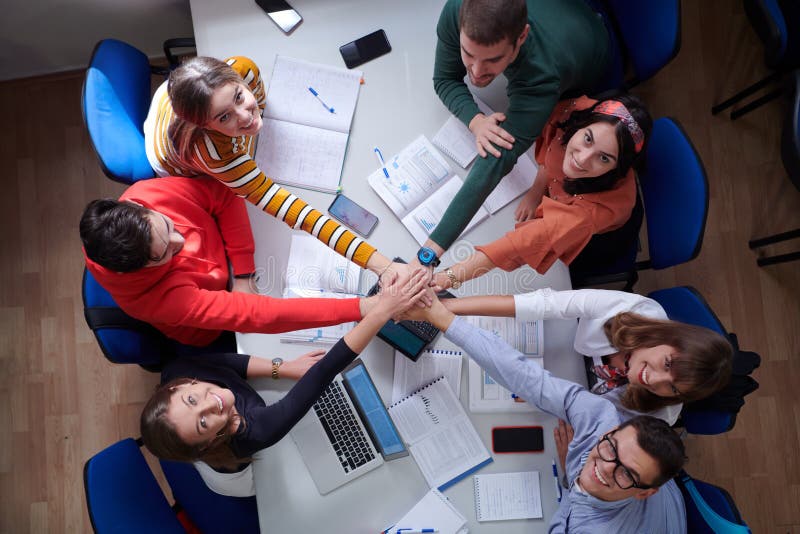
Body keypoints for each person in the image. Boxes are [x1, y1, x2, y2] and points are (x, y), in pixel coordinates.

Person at [410, 294, 688, 533]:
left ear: (646, 492)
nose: (605, 467)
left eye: (626, 473)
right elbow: (526, 378)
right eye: (611, 448)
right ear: (612, 430)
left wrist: (571, 480)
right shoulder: (602, 418)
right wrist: (443, 319)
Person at [140, 269, 429, 496]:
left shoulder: (177, 370)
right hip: (239, 481)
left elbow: (227, 364)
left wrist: (283, 368)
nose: (209, 404)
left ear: (179, 387)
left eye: (192, 400)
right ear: (207, 443)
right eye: (202, 423)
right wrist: (382, 311)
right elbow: (324, 372)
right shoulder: (255, 434)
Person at [142, 54, 408, 279]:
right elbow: (302, 216)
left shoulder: (243, 68)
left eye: (239, 97)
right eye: (224, 117)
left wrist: (246, 117)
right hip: (169, 157)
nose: (245, 116)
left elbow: (257, 106)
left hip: (169, 96)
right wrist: (384, 267)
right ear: (205, 125)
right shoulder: (215, 156)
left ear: (237, 80)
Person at [415, 0, 612, 268]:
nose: (476, 73)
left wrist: (428, 253)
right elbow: (444, 79)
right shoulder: (458, 10)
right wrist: (476, 121)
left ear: (521, 37)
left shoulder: (542, 75)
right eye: (468, 53)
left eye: (492, 59)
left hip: (588, 47)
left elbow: (496, 160)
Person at [80, 176, 384, 347]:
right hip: (218, 328)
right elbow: (260, 316)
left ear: (138, 206)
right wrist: (362, 308)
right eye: (164, 254)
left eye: (168, 225)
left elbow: (224, 194)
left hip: (238, 267)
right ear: (133, 269)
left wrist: (243, 271)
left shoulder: (144, 194)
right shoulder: (154, 301)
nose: (180, 241)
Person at [432, 94, 652, 289]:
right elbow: (551, 147)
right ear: (582, 123)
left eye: (603, 158)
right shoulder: (578, 111)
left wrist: (447, 278)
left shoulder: (592, 212)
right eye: (587, 139)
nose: (582, 159)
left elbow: (519, 245)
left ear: (617, 168)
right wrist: (535, 193)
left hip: (598, 239)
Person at [432, 288, 733, 424]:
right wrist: (448, 307)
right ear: (671, 336)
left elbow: (592, 423)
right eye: (667, 364)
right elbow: (546, 304)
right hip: (559, 352)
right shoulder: (636, 311)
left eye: (674, 388)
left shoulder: (659, 414)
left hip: (558, 395)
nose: (654, 380)